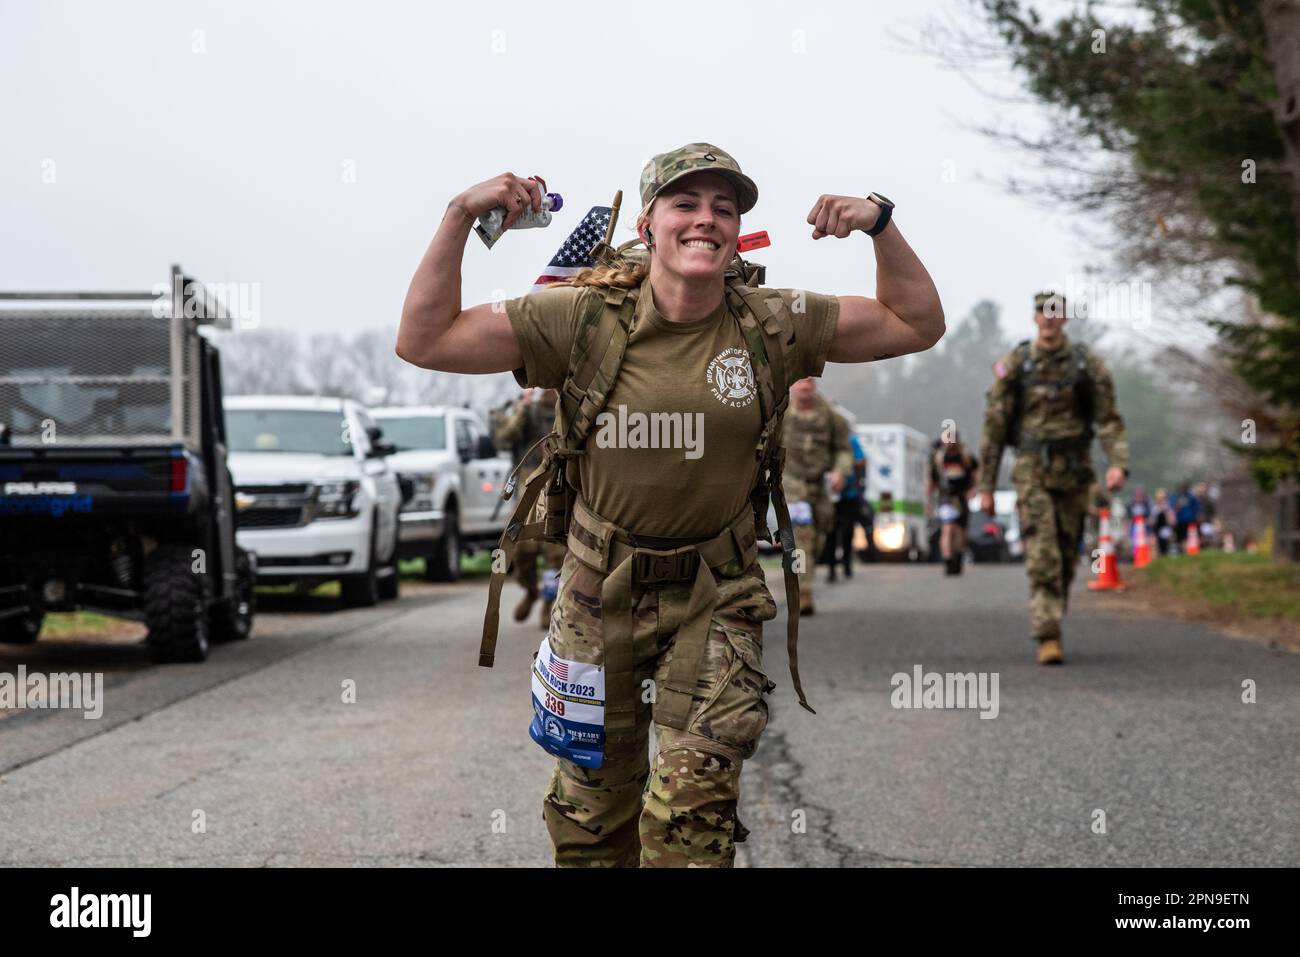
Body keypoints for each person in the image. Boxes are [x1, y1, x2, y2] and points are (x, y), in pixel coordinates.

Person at [396, 143, 944, 867]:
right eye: (685, 204)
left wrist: (881, 224)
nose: (705, 220)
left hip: (716, 595)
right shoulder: (580, 318)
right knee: (592, 826)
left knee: (691, 816)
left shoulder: (772, 322)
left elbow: (915, 323)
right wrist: (461, 213)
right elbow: (424, 339)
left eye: (724, 207)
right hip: (598, 596)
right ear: (650, 222)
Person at [977, 290, 1128, 665]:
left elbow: (1108, 418)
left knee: (1065, 552)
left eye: (1056, 312)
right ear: (1035, 317)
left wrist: (1116, 464)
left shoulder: (1085, 365)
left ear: (1064, 319)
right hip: (1032, 472)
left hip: (1075, 472)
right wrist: (986, 484)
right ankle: (1048, 632)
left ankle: (1053, 612)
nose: (1049, 318)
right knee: (1043, 551)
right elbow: (994, 426)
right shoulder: (1017, 364)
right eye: (1043, 312)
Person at [492, 387, 567, 626]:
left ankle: (548, 601)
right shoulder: (524, 410)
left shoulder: (568, 406)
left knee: (555, 553)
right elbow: (504, 438)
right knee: (520, 550)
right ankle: (530, 590)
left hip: (559, 484)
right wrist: (523, 408)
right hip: (528, 486)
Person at [782, 379, 853, 612]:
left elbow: (843, 449)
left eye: (809, 381)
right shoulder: (780, 414)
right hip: (792, 485)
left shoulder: (831, 417)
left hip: (820, 486)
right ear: (793, 385)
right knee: (802, 537)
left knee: (819, 538)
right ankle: (803, 592)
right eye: (800, 381)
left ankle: (806, 574)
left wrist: (839, 472)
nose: (805, 386)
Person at [926, 431, 978, 575]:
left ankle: (958, 556)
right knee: (947, 528)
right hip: (946, 498)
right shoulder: (938, 458)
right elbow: (932, 480)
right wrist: (928, 500)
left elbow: (976, 476)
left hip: (961, 498)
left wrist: (973, 490)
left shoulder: (965, 457)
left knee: (961, 532)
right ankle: (948, 559)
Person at [825, 427, 869, 580]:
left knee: (847, 531)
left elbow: (861, 460)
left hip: (849, 494)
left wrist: (844, 468)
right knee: (830, 532)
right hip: (829, 495)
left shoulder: (851, 440)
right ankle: (831, 568)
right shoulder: (823, 439)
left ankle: (847, 564)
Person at [1152, 486, 1175, 556]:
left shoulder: (1168, 507)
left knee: (1166, 544)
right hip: (1157, 529)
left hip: (1166, 528)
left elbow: (1172, 520)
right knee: (1159, 545)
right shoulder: (1154, 507)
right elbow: (1152, 520)